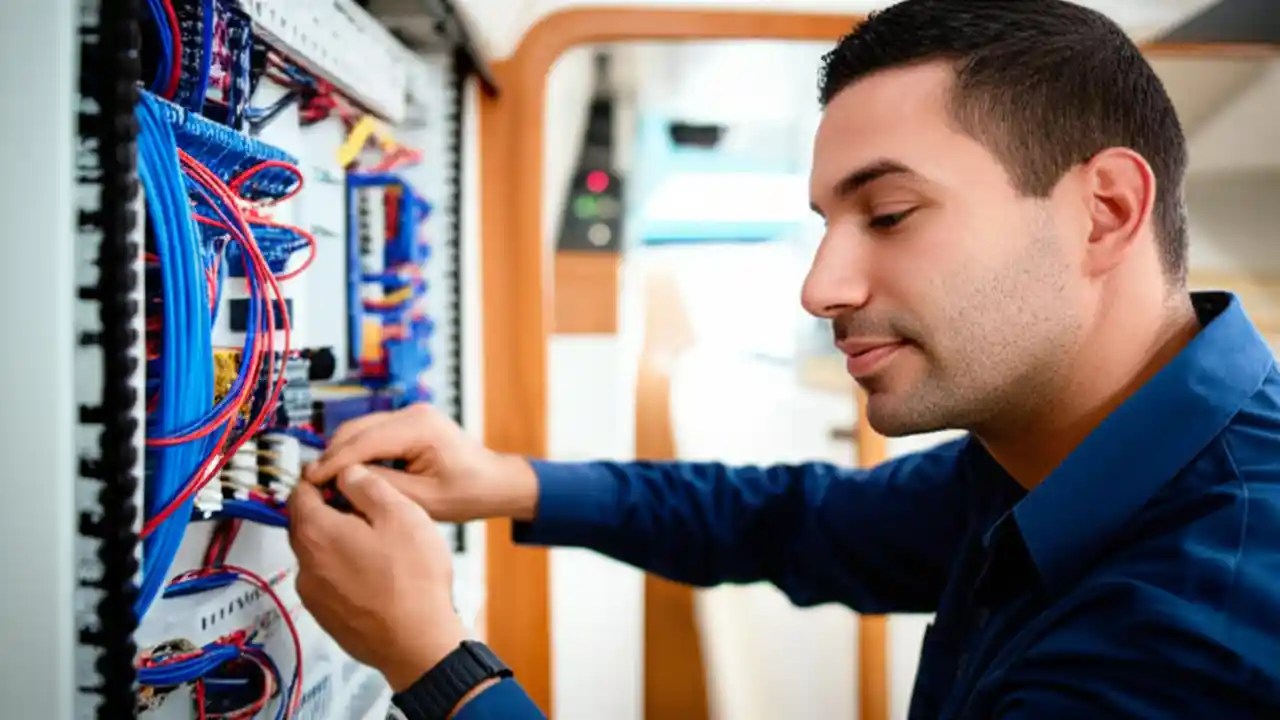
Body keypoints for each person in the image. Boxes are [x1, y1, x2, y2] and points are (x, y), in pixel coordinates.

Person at [287, 0, 1280, 718]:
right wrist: (510, 482)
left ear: (1103, 210)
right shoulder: (1059, 452)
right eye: (827, 224)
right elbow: (796, 520)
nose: (820, 287)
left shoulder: (1200, 629)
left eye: (889, 214)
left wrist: (439, 667)